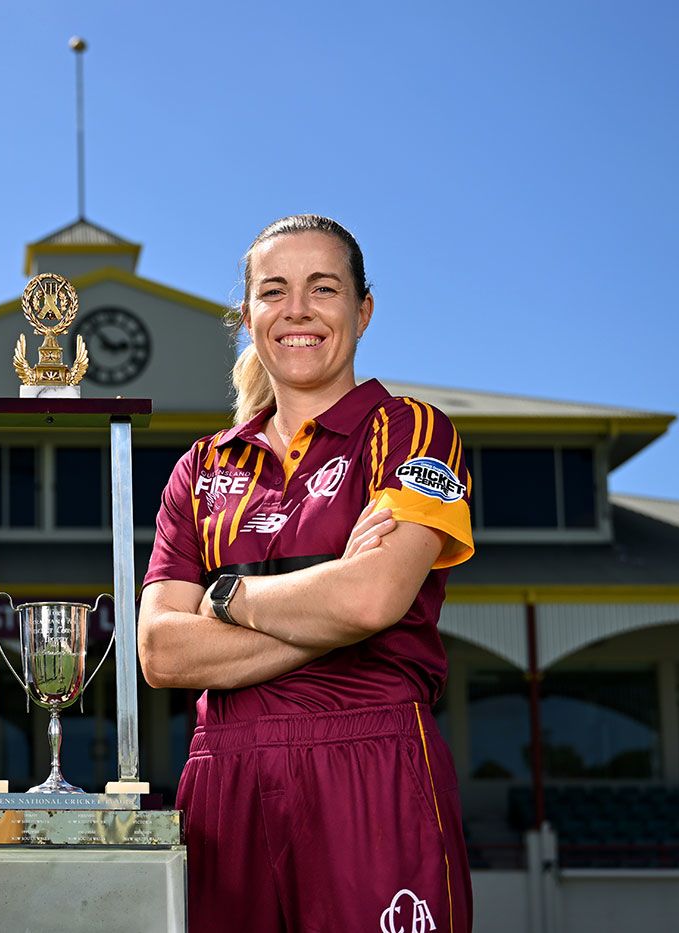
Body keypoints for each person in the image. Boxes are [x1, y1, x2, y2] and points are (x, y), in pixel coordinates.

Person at [138, 215, 475, 933]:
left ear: (363, 309)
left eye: (324, 288)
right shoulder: (200, 469)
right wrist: (339, 607)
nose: (298, 309)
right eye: (274, 290)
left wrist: (224, 598)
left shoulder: (414, 431)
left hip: (373, 765)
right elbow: (162, 652)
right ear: (250, 315)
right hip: (224, 779)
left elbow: (373, 596)